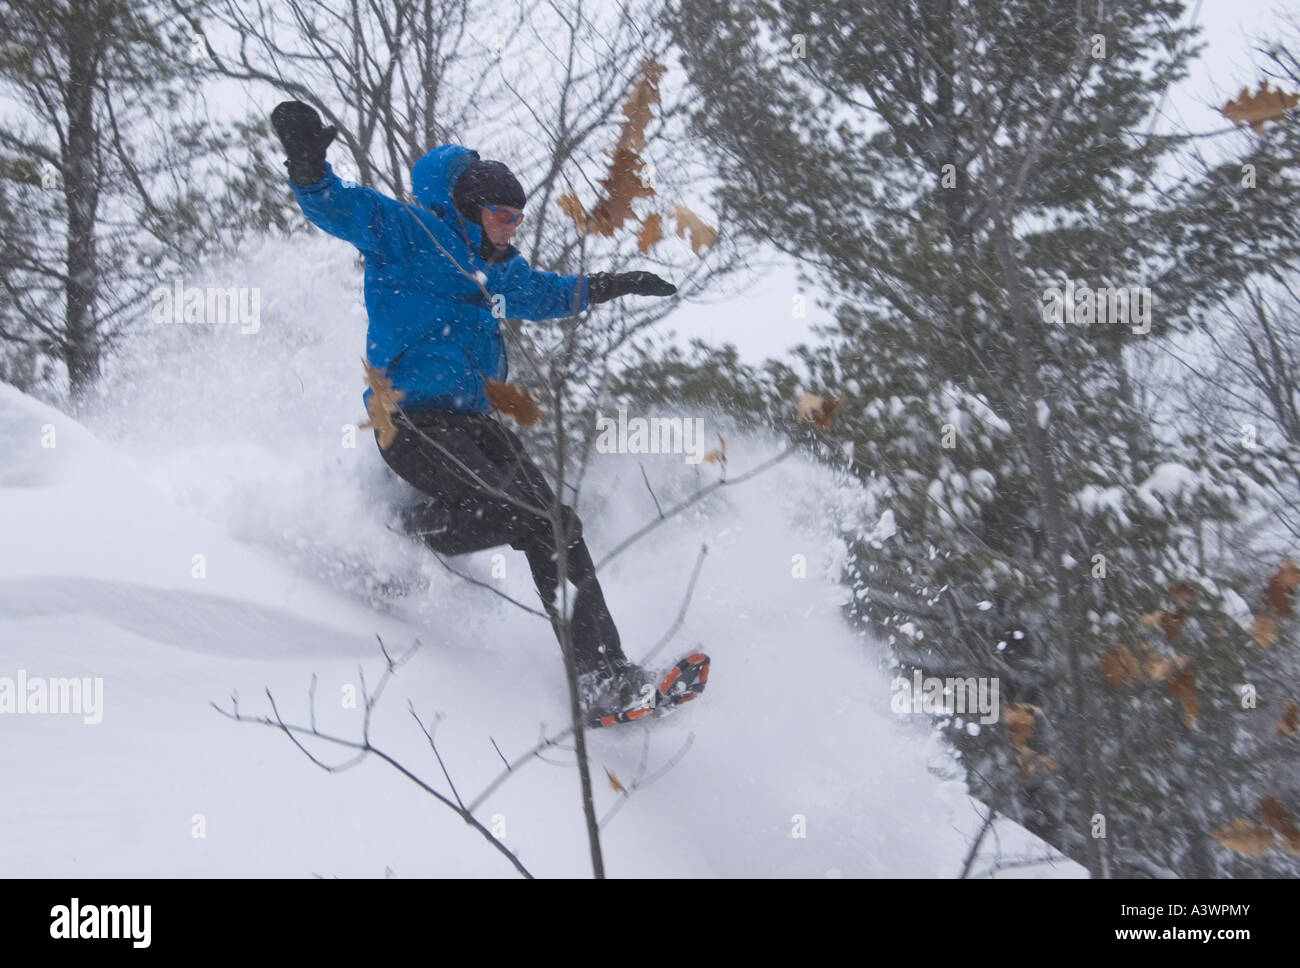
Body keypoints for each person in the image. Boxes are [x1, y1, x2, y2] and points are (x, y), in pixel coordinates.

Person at [270, 100, 676, 711]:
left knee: (557, 524)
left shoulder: (500, 270)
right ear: (470, 206)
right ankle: (401, 531)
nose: (513, 225)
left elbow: (546, 294)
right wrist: (306, 165)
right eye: (503, 215)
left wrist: (614, 285)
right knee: (527, 517)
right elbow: (334, 205)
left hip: (476, 423)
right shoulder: (405, 232)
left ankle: (607, 675)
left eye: (518, 216)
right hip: (409, 421)